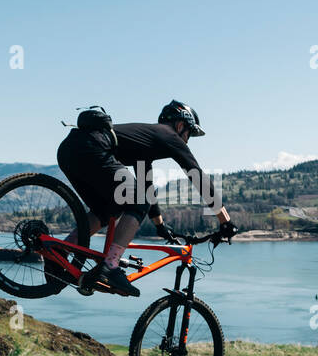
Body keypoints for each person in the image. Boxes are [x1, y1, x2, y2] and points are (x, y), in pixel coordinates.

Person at [56, 100, 236, 297]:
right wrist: (225, 221)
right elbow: (197, 177)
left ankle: (60, 251)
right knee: (136, 200)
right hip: (92, 149)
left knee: (108, 210)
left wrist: (159, 225)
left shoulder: (146, 143)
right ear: (180, 125)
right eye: (189, 134)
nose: (187, 140)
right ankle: (110, 266)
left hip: (69, 150)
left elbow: (146, 187)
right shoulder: (170, 136)